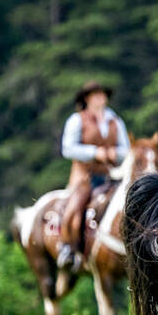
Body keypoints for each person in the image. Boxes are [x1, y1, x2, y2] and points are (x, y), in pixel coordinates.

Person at [57, 81, 129, 271]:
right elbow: (68, 148)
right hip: (84, 176)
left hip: (111, 175)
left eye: (102, 95)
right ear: (87, 99)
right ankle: (68, 247)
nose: (100, 98)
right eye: (96, 95)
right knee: (76, 206)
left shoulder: (115, 120)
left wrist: (116, 153)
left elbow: (126, 148)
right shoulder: (76, 120)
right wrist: (94, 152)